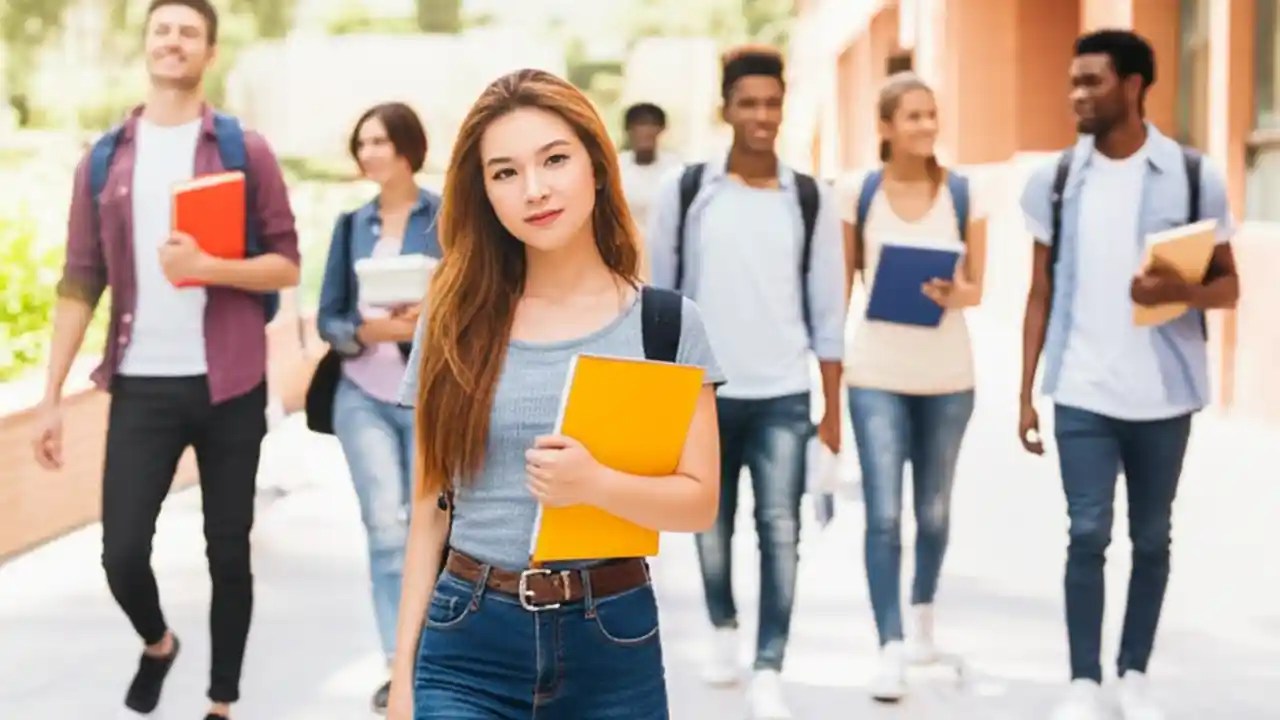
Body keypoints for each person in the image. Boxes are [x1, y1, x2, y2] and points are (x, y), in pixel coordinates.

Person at [384, 68, 725, 720]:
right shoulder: (454, 322)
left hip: (613, 642)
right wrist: (402, 677)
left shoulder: (666, 323)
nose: (534, 190)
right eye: (505, 173)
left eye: (555, 160)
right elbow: (429, 507)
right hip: (467, 641)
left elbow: (699, 502)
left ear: (596, 166)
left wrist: (594, 484)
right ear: (484, 193)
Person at [29, 1, 301, 718]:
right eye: (162, 29)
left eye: (188, 31)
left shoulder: (247, 150)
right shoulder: (106, 158)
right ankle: (158, 643)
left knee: (228, 554)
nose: (173, 41)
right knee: (120, 553)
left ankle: (222, 701)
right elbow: (79, 278)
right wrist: (52, 396)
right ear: (146, 46)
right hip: (142, 385)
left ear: (208, 53)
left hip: (230, 382)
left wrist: (211, 266)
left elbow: (286, 266)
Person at [1019, 30, 1238, 720]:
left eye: (1094, 82)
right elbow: (1039, 292)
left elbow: (1229, 288)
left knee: (1151, 535)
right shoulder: (1054, 180)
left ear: (1136, 86)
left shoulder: (1192, 175)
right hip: (1081, 389)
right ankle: (1085, 682)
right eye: (1074, 82)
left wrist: (1175, 294)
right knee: (1086, 533)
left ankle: (1133, 674)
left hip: (1165, 395)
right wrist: (1025, 393)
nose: (1078, 95)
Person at [646, 45, 846, 720]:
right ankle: (724, 629)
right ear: (726, 109)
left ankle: (770, 665)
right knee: (710, 521)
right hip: (706, 391)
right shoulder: (689, 190)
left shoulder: (811, 197)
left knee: (781, 530)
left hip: (784, 393)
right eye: (748, 103)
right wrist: (661, 393)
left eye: (772, 104)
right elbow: (662, 294)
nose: (761, 116)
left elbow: (827, 309)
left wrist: (832, 410)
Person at [837, 71, 986, 703]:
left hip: (948, 376)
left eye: (932, 115)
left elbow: (980, 285)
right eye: (913, 116)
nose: (926, 126)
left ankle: (923, 619)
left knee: (934, 510)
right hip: (875, 374)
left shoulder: (964, 192)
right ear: (886, 125)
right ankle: (889, 646)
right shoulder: (858, 192)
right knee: (884, 515)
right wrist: (826, 377)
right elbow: (842, 286)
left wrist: (956, 294)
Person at [315, 101, 440, 714]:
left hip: (427, 396)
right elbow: (328, 316)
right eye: (361, 143)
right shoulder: (350, 224)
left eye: (380, 142)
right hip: (361, 392)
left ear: (409, 148)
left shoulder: (445, 219)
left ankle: (430, 655)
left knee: (430, 526)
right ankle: (399, 664)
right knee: (385, 529)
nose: (368, 153)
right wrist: (361, 334)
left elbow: (473, 303)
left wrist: (421, 326)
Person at [618, 102, 681, 237]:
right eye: (640, 124)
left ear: (661, 129)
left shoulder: (675, 169)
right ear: (629, 129)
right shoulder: (616, 167)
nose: (646, 131)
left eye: (652, 125)